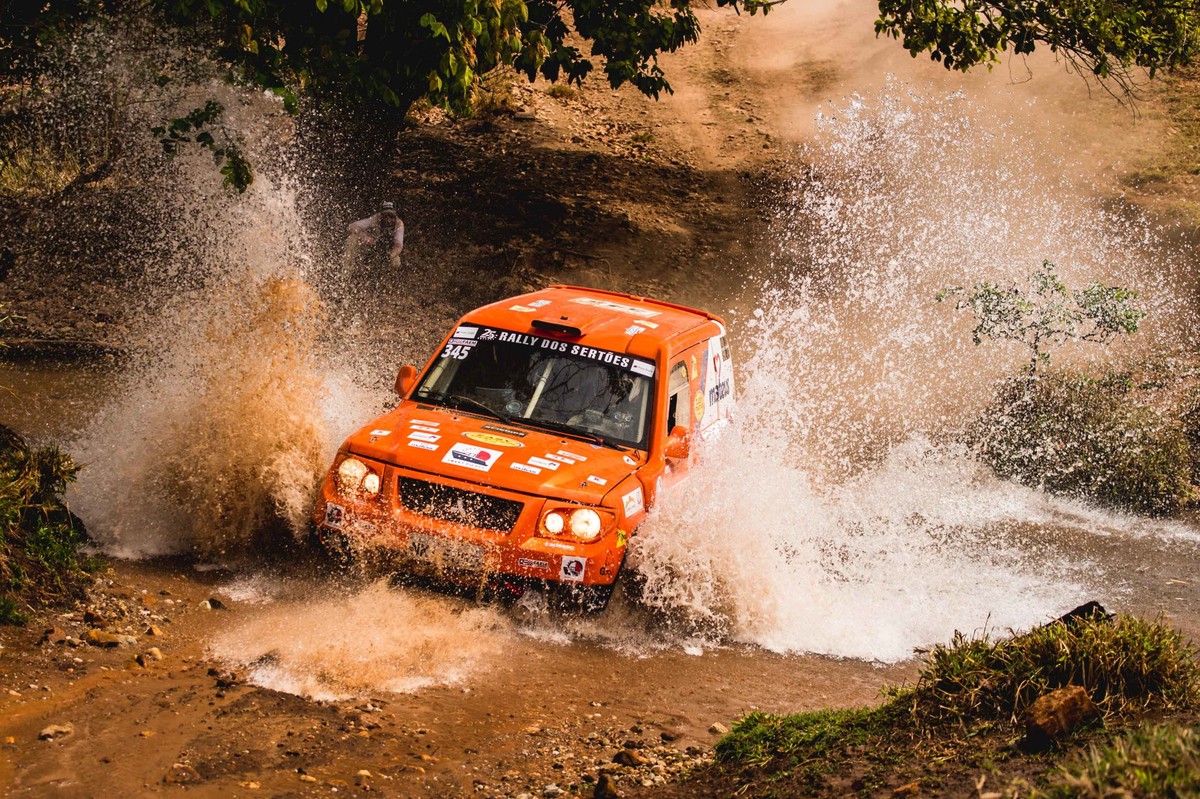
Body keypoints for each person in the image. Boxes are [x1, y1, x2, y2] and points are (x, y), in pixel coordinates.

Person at [344, 201, 405, 269]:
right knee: (352, 239)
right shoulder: (376, 218)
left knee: (396, 262)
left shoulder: (399, 224)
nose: (388, 220)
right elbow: (352, 226)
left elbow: (398, 245)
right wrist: (365, 237)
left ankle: (389, 275)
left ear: (396, 216)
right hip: (373, 246)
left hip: (389, 250)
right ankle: (347, 268)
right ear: (381, 215)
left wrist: (390, 256)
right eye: (385, 216)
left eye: (391, 217)